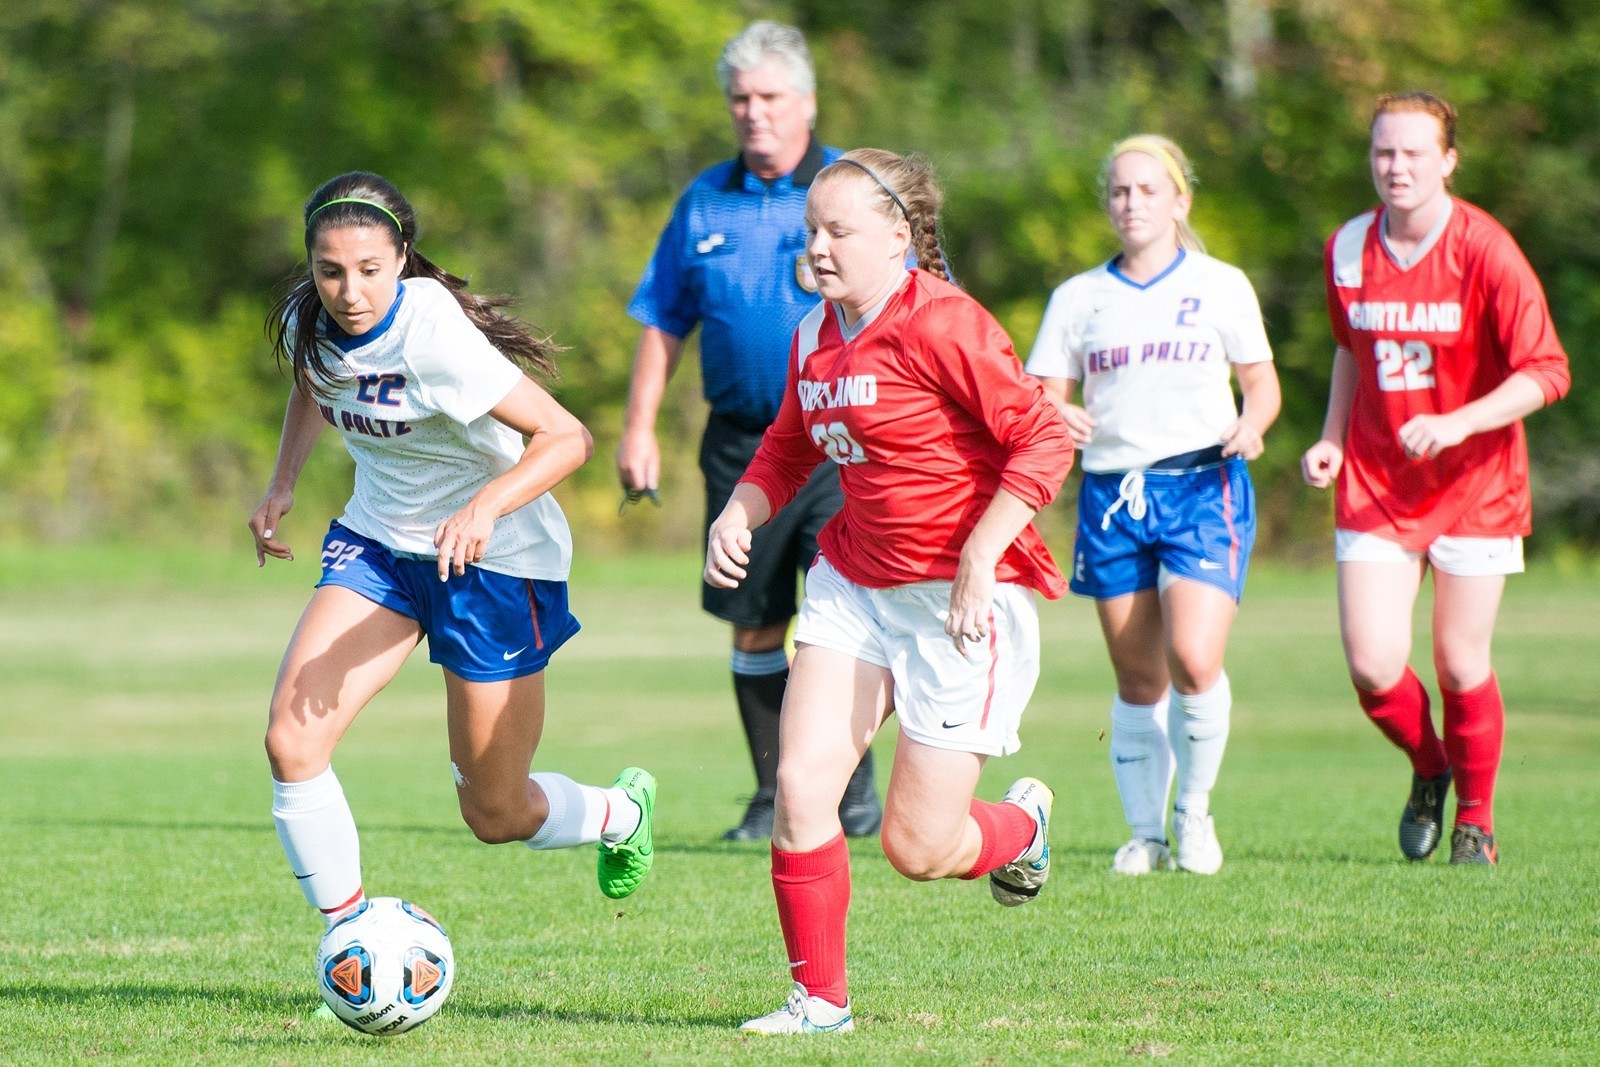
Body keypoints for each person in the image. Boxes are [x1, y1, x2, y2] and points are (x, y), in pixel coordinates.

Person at [706, 148, 1073, 1034]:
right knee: (801, 786)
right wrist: (739, 513)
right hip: (852, 585)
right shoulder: (812, 335)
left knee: (918, 848)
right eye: (811, 231)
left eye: (839, 230)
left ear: (898, 236)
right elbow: (787, 450)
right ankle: (819, 1000)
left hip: (960, 601)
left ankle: (1020, 829)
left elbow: (1045, 439)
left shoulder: (945, 323)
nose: (819, 247)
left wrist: (984, 554)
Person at [250, 172, 656, 939]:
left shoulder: (433, 337)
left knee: (496, 812)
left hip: (496, 561)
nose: (349, 290)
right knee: (290, 741)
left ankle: (619, 810)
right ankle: (350, 940)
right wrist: (283, 483)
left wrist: (483, 506)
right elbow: (315, 380)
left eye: (369, 269)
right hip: (379, 545)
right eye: (330, 270)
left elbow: (568, 436)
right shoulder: (314, 314)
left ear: (402, 257)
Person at [620, 21, 881, 842]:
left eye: (770, 96)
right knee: (757, 620)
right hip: (741, 443)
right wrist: (639, 428)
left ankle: (853, 794)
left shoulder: (850, 189)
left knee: (842, 614)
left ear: (806, 101)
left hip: (842, 443)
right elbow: (663, 318)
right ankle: (774, 793)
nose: (753, 112)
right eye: (740, 99)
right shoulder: (704, 198)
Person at [1302, 92, 1569, 866]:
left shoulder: (1484, 248)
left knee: (1458, 660)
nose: (1397, 167)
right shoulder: (1348, 246)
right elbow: (1350, 349)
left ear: (1448, 160)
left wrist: (1459, 422)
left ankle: (1476, 822)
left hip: (1478, 481)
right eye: (1385, 151)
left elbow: (1547, 370)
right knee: (1374, 664)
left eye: (1416, 152)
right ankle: (1432, 766)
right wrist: (1330, 439)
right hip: (1381, 481)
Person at [1026, 136, 1280, 877]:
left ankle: (1194, 814)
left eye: (1146, 190)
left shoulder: (1221, 284)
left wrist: (1253, 423)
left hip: (1203, 485)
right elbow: (1045, 396)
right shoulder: (1078, 298)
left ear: (1180, 200)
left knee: (1195, 658)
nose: (1131, 203)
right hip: (1113, 495)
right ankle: (1146, 832)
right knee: (1140, 679)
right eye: (1119, 192)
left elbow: (1261, 384)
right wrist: (1057, 417)